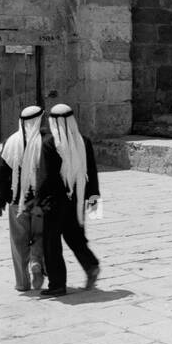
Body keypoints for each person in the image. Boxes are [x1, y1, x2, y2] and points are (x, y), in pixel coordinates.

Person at [36, 104, 101, 297]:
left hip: (55, 202)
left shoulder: (49, 143)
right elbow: (92, 173)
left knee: (51, 243)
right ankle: (91, 265)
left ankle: (57, 284)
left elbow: (48, 177)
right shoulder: (85, 142)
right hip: (77, 200)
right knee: (74, 236)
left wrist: (39, 200)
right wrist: (93, 199)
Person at [0, 105, 47, 291]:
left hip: (17, 201)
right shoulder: (46, 141)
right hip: (40, 201)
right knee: (41, 236)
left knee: (18, 241)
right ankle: (36, 261)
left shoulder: (11, 142)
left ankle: (23, 283)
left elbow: (1, 174)